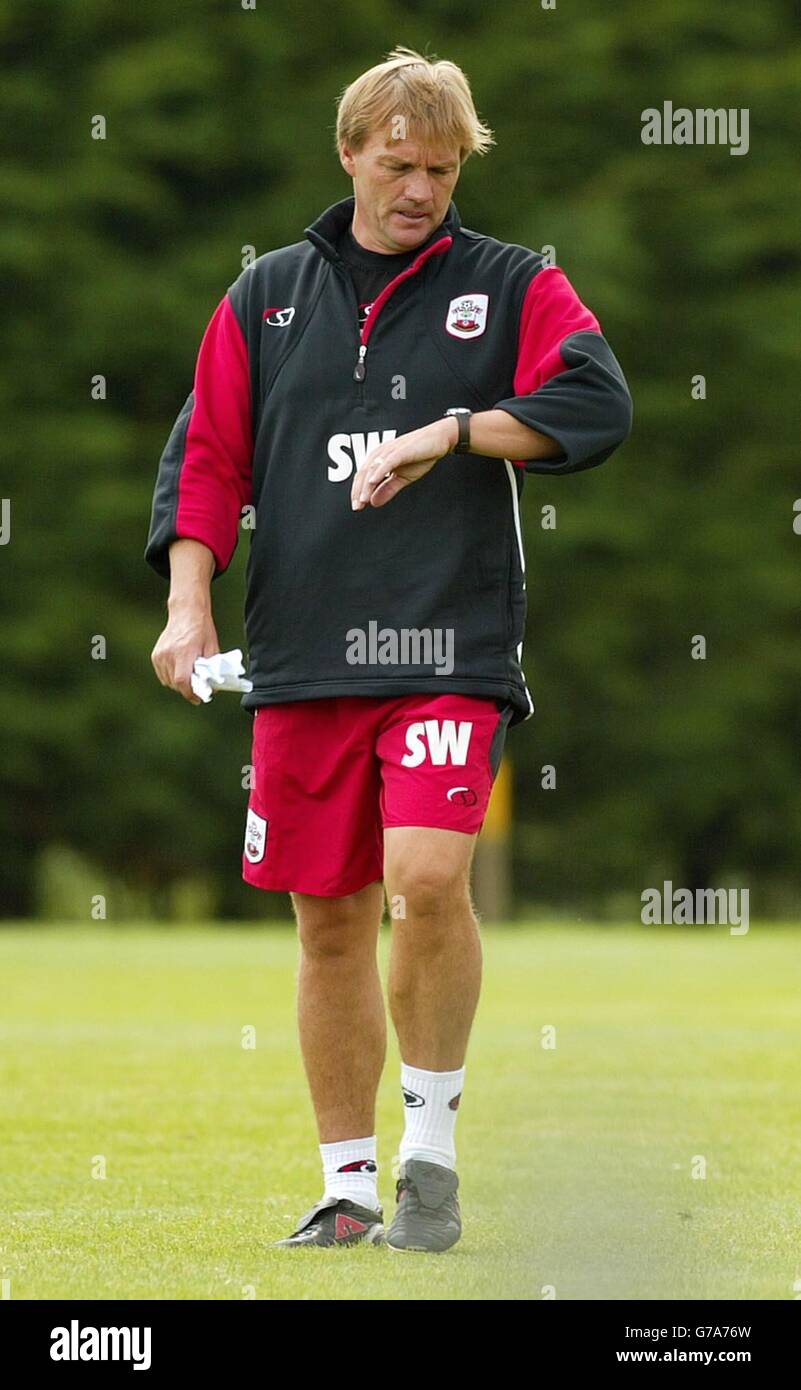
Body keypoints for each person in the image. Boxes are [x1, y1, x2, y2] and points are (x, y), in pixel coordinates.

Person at [146, 47, 632, 1252]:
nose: (422, 188)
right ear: (351, 154)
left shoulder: (513, 283)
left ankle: (430, 1157)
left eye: (445, 167)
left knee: (425, 881)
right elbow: (206, 462)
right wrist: (188, 606)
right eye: (402, 164)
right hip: (302, 654)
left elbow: (596, 405)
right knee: (327, 922)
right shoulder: (262, 295)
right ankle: (348, 1185)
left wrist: (451, 432)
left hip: (446, 641)